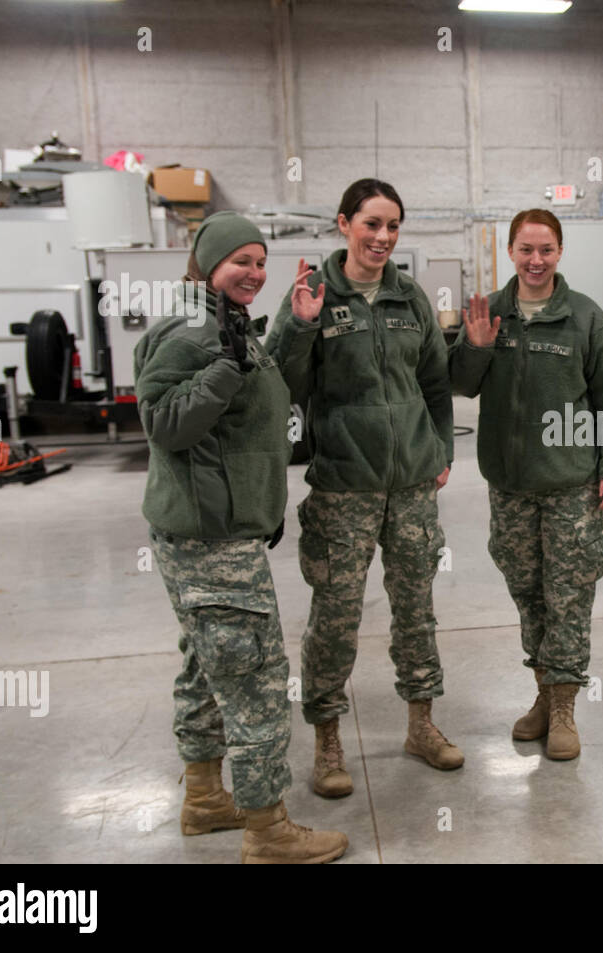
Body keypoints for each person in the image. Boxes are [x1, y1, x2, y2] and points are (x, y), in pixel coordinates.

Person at [135, 211, 347, 863]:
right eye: (241, 262)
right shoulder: (189, 330)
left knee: (207, 663)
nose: (254, 273)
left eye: (261, 262)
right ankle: (267, 828)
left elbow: (262, 390)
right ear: (206, 263)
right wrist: (224, 370)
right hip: (212, 541)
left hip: (218, 531)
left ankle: (204, 798)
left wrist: (293, 324)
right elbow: (166, 423)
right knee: (255, 676)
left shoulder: (224, 324)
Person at [265, 179, 458, 790]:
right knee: (336, 614)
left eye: (393, 225)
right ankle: (326, 740)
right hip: (344, 488)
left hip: (411, 488)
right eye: (372, 224)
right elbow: (282, 385)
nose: (383, 237)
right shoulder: (315, 295)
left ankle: (421, 723)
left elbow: (435, 383)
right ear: (344, 224)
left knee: (417, 610)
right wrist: (299, 326)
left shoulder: (410, 298)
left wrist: (441, 449)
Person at [448, 208, 603, 760]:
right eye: (526, 250)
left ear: (559, 253)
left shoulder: (585, 317)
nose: (535, 260)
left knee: (569, 596)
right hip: (509, 485)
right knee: (528, 595)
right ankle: (541, 694)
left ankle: (563, 710)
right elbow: (459, 384)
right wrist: (476, 345)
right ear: (509, 252)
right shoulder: (491, 312)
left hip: (572, 483)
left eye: (546, 250)